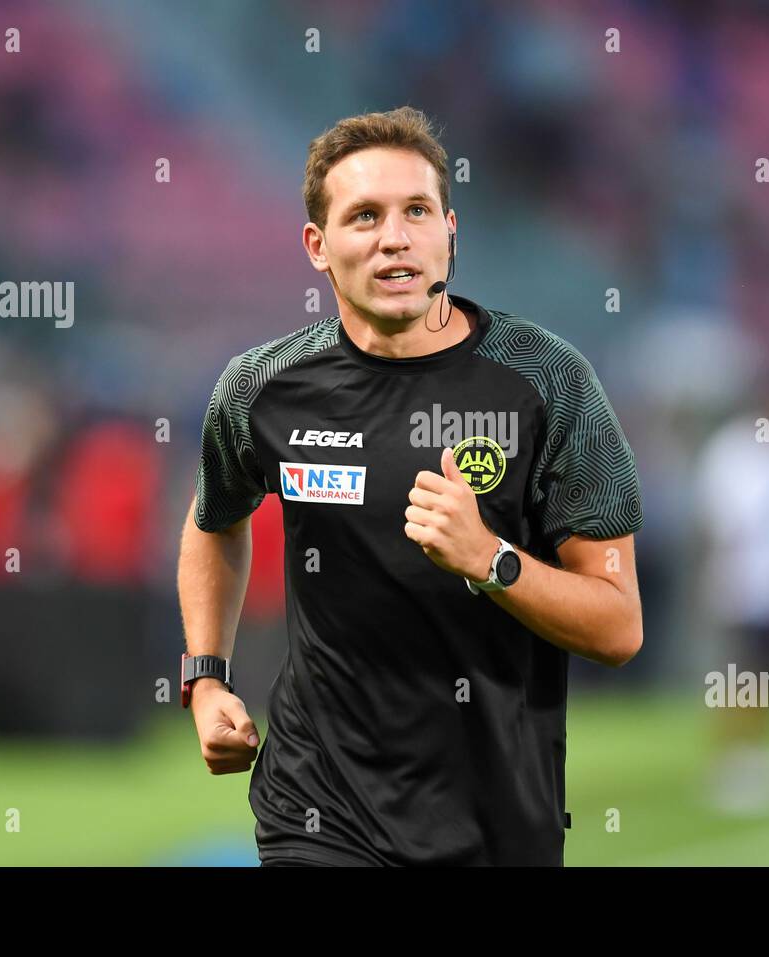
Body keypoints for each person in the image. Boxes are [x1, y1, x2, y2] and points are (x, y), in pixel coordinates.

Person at [176, 106, 644, 866]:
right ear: (317, 247)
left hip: (496, 820)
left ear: (449, 233)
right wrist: (206, 677)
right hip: (318, 810)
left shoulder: (548, 382)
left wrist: (492, 560)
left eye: (416, 211)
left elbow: (619, 626)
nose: (395, 237)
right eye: (365, 216)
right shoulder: (262, 387)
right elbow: (214, 518)